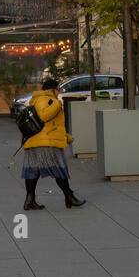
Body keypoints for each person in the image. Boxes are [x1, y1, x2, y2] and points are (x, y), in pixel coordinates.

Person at [21, 72, 86, 212]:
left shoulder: (42, 99)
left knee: (33, 171)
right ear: (53, 89)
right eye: (58, 89)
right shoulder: (47, 99)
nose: (59, 92)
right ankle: (70, 196)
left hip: (36, 141)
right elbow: (44, 116)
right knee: (58, 170)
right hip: (46, 143)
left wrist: (66, 137)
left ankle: (29, 201)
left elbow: (52, 125)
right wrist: (57, 103)